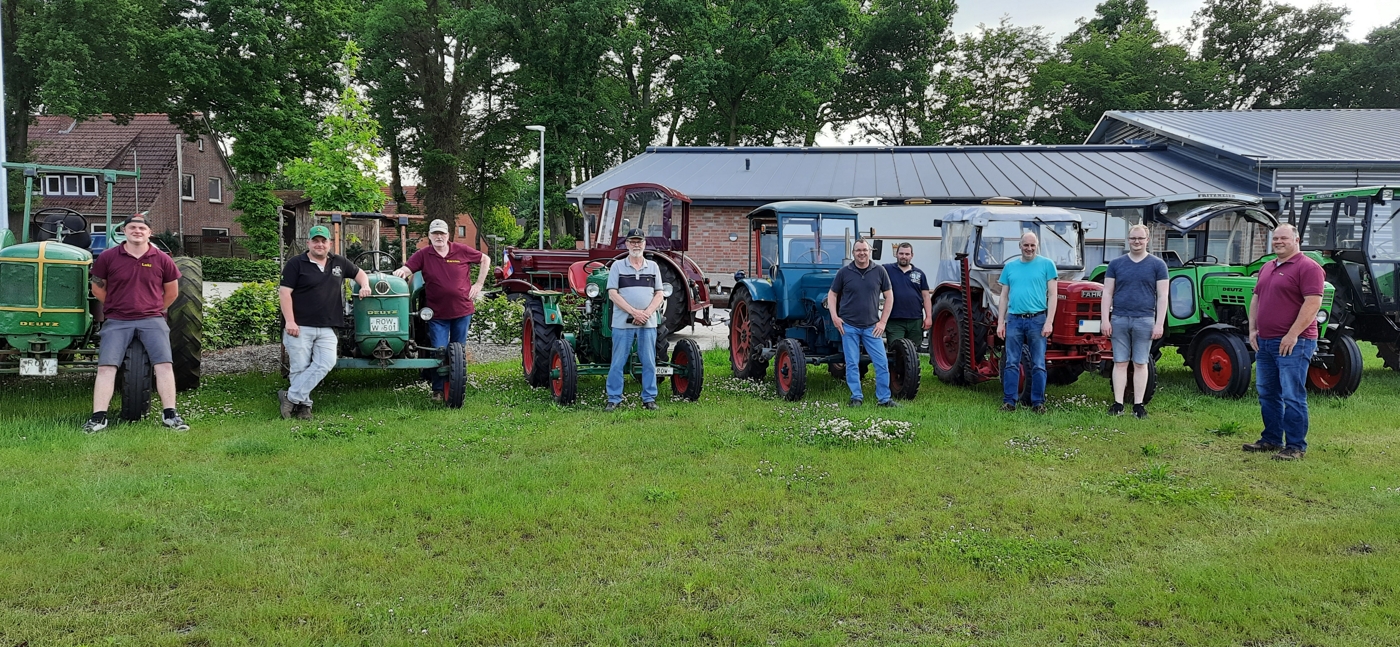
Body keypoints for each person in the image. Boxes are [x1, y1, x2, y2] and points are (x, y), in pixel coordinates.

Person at [84, 214, 189, 432]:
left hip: (152, 319)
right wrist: (114, 305)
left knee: (164, 365)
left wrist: (155, 308)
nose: (137, 231)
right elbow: (97, 287)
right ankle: (98, 418)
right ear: (124, 231)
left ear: (150, 233)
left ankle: (170, 415)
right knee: (106, 367)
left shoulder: (162, 259)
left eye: (142, 228)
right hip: (117, 321)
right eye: (132, 227)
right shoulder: (108, 257)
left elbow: (172, 292)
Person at [1244, 224, 1324, 461]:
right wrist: (1252, 329)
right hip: (1266, 342)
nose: (1278, 241)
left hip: (1294, 343)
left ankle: (1296, 446)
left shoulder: (1308, 267)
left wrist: (1292, 334)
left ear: (1296, 240)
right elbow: (1256, 298)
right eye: (1275, 238)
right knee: (1267, 392)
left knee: (1292, 394)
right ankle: (1271, 439)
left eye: (1284, 238)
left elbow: (1313, 303)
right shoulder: (1267, 267)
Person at [278, 225, 371, 419]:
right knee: (300, 367)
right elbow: (284, 293)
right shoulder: (296, 263)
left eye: (323, 241)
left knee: (326, 362)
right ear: (308, 243)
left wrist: (365, 285)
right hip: (300, 326)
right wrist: (290, 322)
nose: (320, 244)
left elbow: (360, 273)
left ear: (330, 243)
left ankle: (290, 396)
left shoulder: (339, 262)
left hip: (328, 326)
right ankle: (304, 408)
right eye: (315, 240)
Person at [393, 219, 490, 401]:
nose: (439, 237)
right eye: (435, 233)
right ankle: (438, 390)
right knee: (439, 350)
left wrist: (479, 284)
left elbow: (485, 259)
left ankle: (456, 387)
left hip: (462, 311)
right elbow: (407, 269)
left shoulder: (461, 250)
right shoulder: (424, 254)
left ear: (447, 235)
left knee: (458, 351)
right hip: (437, 314)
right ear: (429, 236)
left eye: (442, 233)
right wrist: (400, 273)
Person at [1101, 224, 1168, 418]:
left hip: (1145, 319)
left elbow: (1163, 296)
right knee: (1120, 362)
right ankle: (1118, 404)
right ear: (1127, 240)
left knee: (1140, 363)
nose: (1136, 242)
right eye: (1133, 238)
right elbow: (1107, 293)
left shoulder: (1157, 265)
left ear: (1147, 240)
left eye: (1140, 238)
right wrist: (1105, 320)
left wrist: (1159, 323)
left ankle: (1138, 405)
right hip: (1120, 318)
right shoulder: (1116, 264)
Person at [828, 239, 897, 408]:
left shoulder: (879, 271)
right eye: (858, 250)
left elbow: (889, 296)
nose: (862, 253)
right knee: (852, 363)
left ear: (869, 251)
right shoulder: (844, 272)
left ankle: (884, 399)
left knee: (881, 363)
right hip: (849, 326)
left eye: (864, 250)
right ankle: (856, 397)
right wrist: (835, 317)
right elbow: (832, 295)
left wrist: (882, 322)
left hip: (872, 327)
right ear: (853, 253)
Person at [996, 232, 1058, 414]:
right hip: (1014, 319)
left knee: (1039, 363)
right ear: (1020, 246)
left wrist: (1049, 321)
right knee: (1011, 362)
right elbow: (1004, 296)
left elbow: (1053, 295)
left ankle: (1038, 402)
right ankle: (1009, 402)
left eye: (1032, 245)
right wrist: (1001, 322)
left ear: (1037, 245)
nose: (1029, 248)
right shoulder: (1010, 267)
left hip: (1038, 320)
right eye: (1026, 245)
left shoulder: (1047, 265)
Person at [605, 228, 665, 412]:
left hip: (648, 322)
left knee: (648, 361)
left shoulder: (653, 267)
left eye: (639, 241)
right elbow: (612, 293)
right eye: (632, 241)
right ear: (627, 244)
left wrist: (646, 313)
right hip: (622, 322)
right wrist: (633, 312)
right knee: (617, 361)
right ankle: (613, 398)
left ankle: (649, 398)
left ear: (644, 244)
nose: (636, 245)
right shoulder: (617, 266)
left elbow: (660, 293)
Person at [882, 242, 932, 349]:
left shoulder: (919, 274)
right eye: (901, 253)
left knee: (913, 351)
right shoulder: (886, 270)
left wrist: (928, 317)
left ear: (911, 255)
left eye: (907, 254)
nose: (904, 256)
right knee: (896, 350)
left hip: (915, 320)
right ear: (896, 254)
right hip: (894, 320)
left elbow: (926, 297)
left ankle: (912, 367)